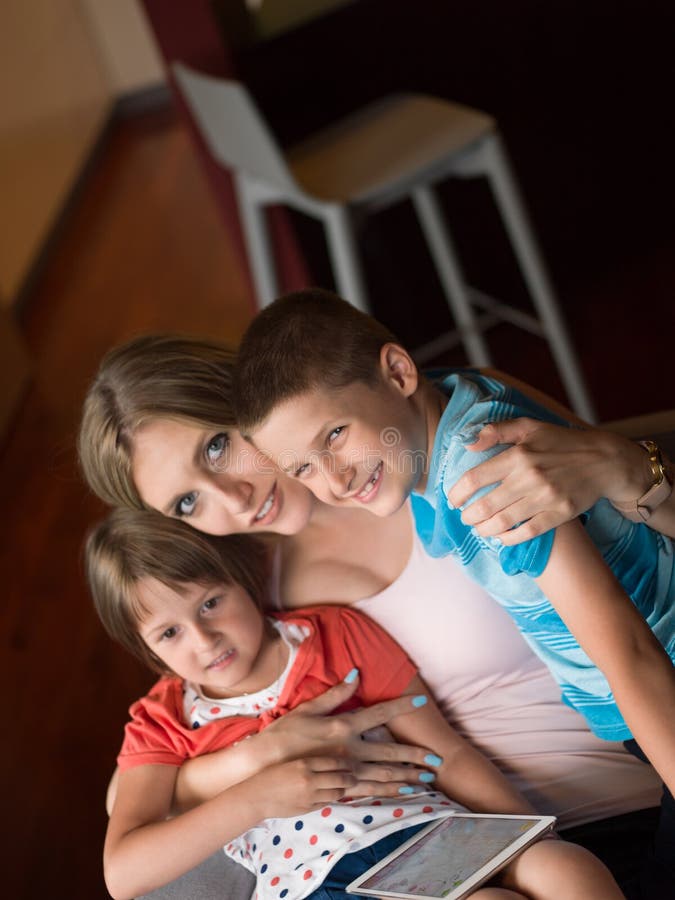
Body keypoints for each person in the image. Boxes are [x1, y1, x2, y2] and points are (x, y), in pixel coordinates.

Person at [78, 334, 661, 895]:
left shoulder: (419, 429)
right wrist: (261, 755)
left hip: (638, 791)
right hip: (472, 851)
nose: (234, 499)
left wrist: (627, 466)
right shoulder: (243, 597)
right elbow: (124, 793)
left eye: (217, 446)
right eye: (187, 501)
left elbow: (647, 526)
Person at [233, 288, 675, 893]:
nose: (332, 480)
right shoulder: (450, 404)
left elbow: (628, 653)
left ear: (397, 372)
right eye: (303, 467)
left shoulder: (478, 477)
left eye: (335, 434)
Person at [85, 508, 624, 900]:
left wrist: (529, 830)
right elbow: (124, 872)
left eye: (211, 603)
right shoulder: (161, 723)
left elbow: (448, 754)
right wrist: (256, 798)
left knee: (564, 869)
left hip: (427, 837)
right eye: (169, 633)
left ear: (242, 581)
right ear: (146, 651)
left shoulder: (335, 635)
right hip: (314, 886)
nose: (205, 640)